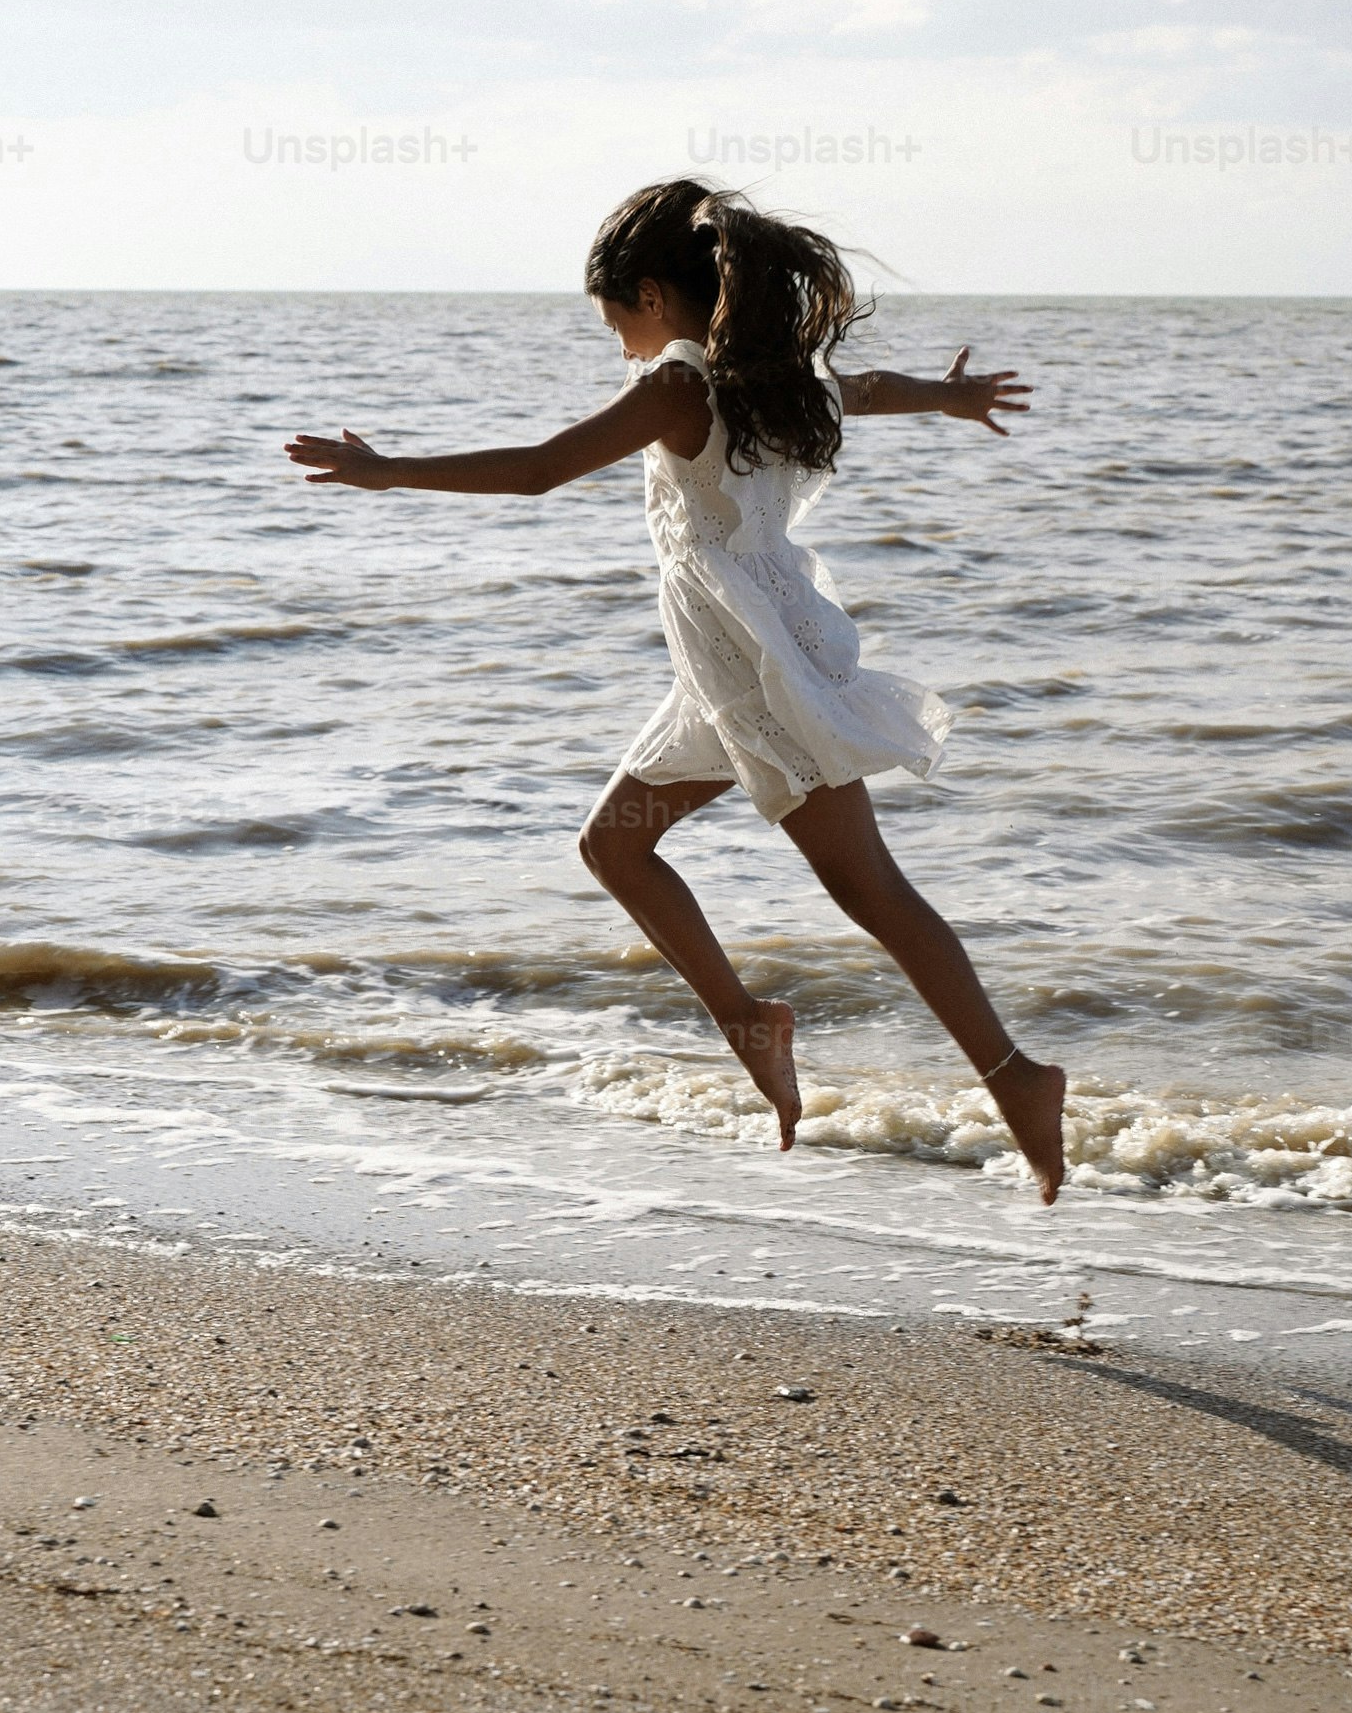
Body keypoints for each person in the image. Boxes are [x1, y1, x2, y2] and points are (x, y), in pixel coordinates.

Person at [285, 179, 1066, 1202]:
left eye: (614, 320)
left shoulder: (679, 390)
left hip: (755, 672)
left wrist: (388, 470)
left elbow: (536, 470)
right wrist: (950, 398)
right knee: (615, 843)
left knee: (867, 886)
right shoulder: (780, 380)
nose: (617, 344)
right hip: (729, 662)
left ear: (652, 296)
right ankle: (749, 1021)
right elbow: (864, 389)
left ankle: (1016, 1077)